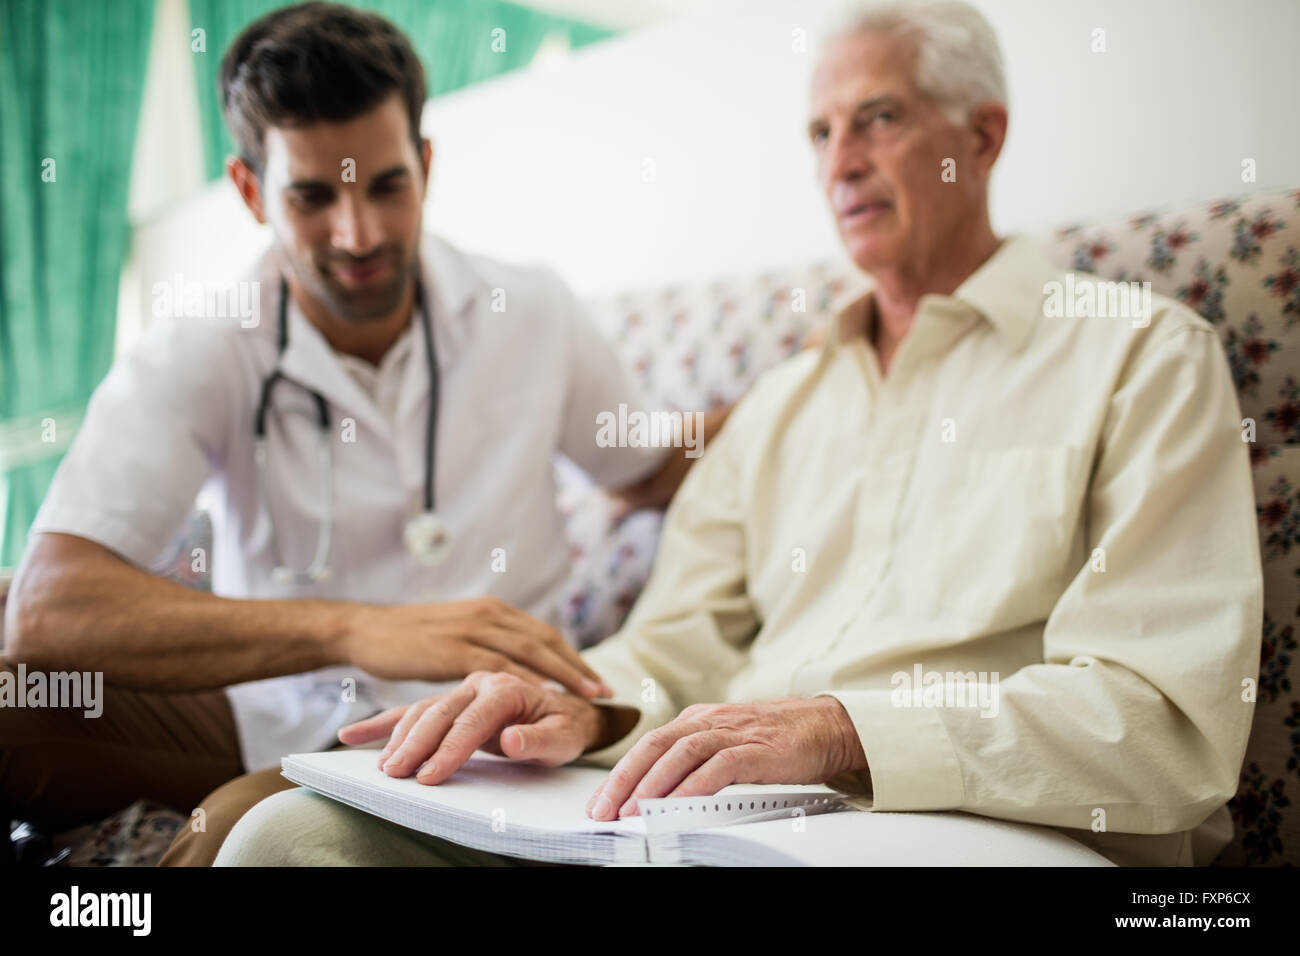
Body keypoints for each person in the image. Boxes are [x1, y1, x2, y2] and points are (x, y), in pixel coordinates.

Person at [216, 0, 1262, 868]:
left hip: (989, 825)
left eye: (878, 119)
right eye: (821, 132)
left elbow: (1166, 719)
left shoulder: (1139, 360)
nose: (840, 162)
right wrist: (581, 703)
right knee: (287, 839)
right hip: (730, 816)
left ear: (979, 137)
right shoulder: (778, 407)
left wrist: (843, 730)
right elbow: (675, 644)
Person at [0, 2, 722, 867]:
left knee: (236, 837)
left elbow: (644, 468)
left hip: (465, 726)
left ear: (424, 164)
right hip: (257, 704)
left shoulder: (533, 311)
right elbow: (45, 612)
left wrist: (792, 396)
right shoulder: (202, 346)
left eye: (387, 185)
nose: (360, 235)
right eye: (312, 196)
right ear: (249, 190)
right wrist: (354, 629)